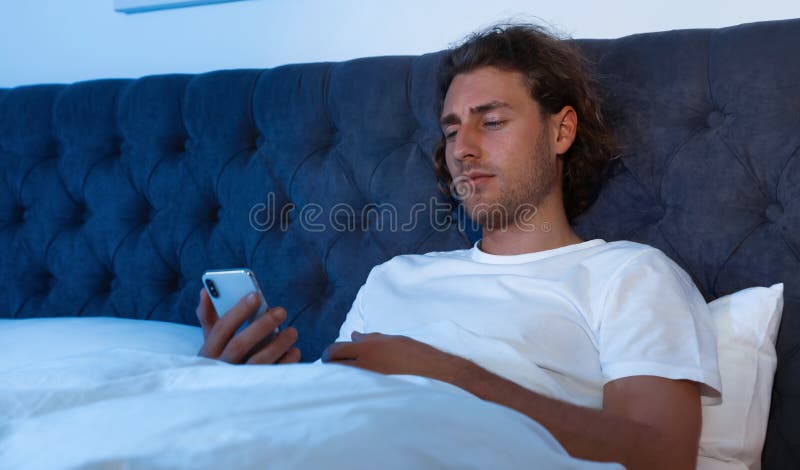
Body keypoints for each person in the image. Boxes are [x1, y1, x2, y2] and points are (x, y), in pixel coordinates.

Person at [195, 24, 721, 470]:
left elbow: (660, 455)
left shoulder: (629, 275)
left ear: (560, 131)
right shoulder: (394, 277)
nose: (463, 149)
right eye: (451, 131)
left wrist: (448, 375)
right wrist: (253, 388)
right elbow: (343, 409)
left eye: (491, 122)